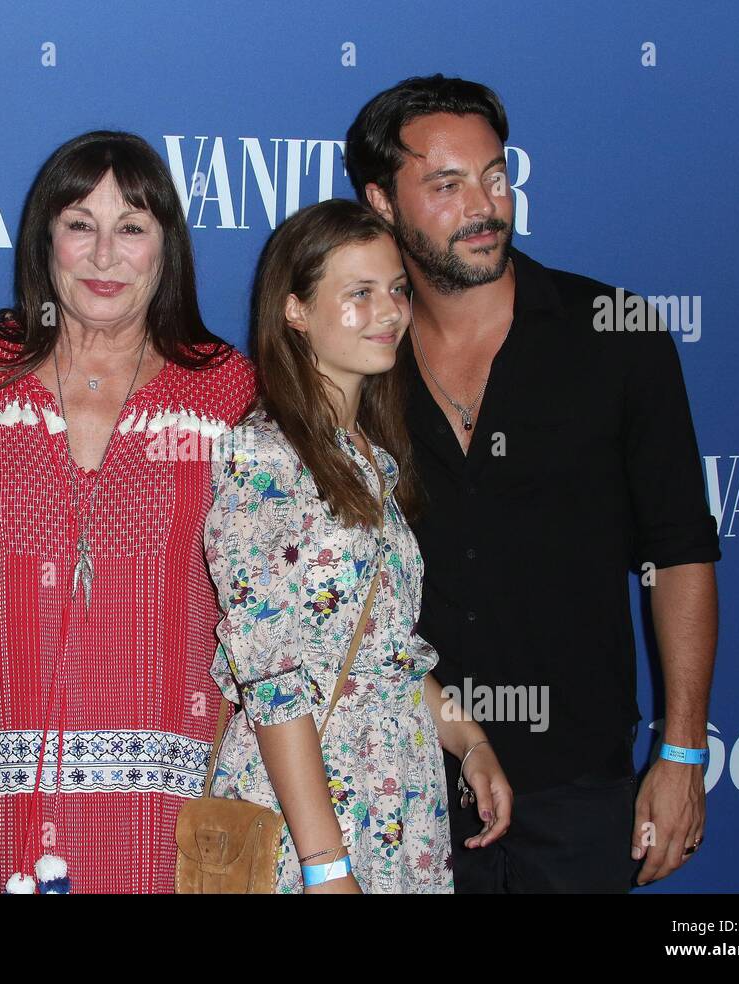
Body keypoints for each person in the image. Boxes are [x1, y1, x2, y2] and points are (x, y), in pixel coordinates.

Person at [345, 74, 721, 892]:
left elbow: (680, 549)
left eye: (494, 175)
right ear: (381, 201)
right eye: (445, 185)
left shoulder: (616, 336)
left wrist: (683, 751)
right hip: (404, 781)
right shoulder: (356, 367)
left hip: (580, 785)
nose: (484, 206)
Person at [0, 130, 257, 894]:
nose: (105, 256)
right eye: (81, 224)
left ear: (165, 248)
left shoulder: (227, 389)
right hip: (11, 811)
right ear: (46, 239)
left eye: (132, 229)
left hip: (178, 809)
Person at [205, 199, 512, 894]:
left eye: (397, 289)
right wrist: (325, 863)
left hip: (399, 805)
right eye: (360, 293)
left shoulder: (372, 458)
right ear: (295, 312)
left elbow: (387, 654)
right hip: (310, 822)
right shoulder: (265, 459)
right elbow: (272, 681)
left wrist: (470, 742)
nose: (391, 312)